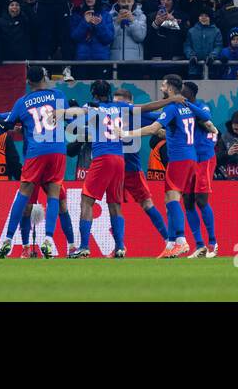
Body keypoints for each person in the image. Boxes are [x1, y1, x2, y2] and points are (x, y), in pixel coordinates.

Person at [71, 79, 175, 259]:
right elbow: (159, 117)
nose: (117, 102)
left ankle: (169, 241)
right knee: (118, 204)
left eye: (121, 100)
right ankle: (122, 246)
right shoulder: (128, 111)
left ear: (128, 101)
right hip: (122, 163)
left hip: (126, 166)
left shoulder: (106, 109)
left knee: (143, 203)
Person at [0, 67, 83, 259]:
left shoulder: (22, 102)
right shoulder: (58, 95)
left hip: (34, 154)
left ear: (28, 81)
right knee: (56, 197)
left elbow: (5, 123)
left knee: (23, 197)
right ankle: (49, 240)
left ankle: (8, 240)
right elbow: (72, 116)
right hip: (57, 151)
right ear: (44, 78)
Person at [122, 74, 217, 258]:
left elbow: (152, 129)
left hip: (179, 160)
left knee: (172, 197)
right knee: (169, 200)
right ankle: (171, 243)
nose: (161, 88)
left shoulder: (173, 108)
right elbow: (205, 117)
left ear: (171, 89)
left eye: (164, 85)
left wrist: (125, 133)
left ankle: (181, 241)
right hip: (191, 159)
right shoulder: (186, 107)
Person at [178, 81, 220, 258]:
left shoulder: (202, 107)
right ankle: (200, 245)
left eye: (183, 91)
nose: (180, 93)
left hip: (204, 157)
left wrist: (188, 107)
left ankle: (213, 243)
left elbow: (206, 122)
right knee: (187, 200)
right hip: (189, 159)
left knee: (201, 200)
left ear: (191, 93)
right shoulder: (178, 109)